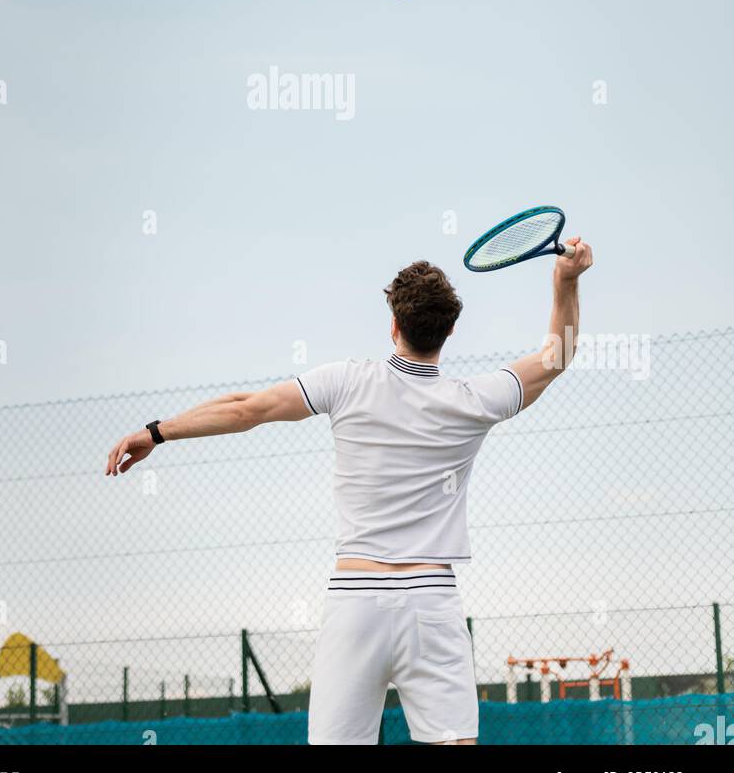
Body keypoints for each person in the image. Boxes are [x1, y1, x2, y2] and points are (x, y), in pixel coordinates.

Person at [105, 237, 593, 744]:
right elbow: (556, 357)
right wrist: (566, 281)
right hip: (432, 602)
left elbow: (246, 408)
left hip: (355, 600)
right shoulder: (473, 400)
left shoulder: (345, 381)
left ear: (394, 325)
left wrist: (156, 432)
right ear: (449, 331)